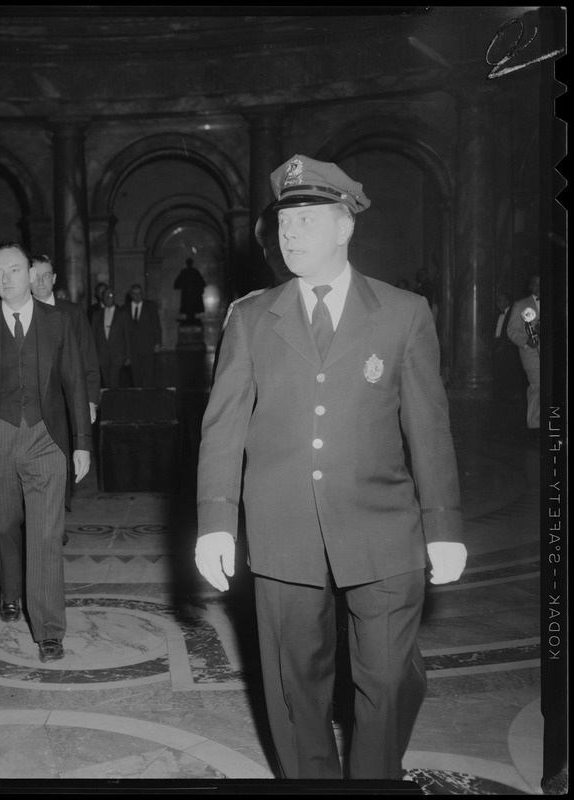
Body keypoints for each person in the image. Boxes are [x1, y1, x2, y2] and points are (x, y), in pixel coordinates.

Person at [194, 155, 467, 781]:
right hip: (283, 530)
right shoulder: (252, 318)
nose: (290, 233)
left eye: (308, 219)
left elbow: (429, 429)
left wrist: (444, 523)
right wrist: (215, 521)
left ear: (345, 227)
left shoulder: (404, 314)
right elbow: (223, 425)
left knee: (391, 677)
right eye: (284, 220)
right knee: (296, 691)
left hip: (383, 527)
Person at [0, 242, 91, 663]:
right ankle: (10, 590)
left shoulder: (58, 321)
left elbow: (75, 384)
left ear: (30, 275)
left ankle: (49, 631)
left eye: (13, 270)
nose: (5, 279)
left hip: (46, 438)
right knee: (1, 525)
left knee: (46, 535)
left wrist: (83, 444)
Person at [30, 254, 100, 423]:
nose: (40, 282)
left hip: (67, 401)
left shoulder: (72, 312)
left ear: (53, 278)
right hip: (32, 405)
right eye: (35, 276)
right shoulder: (18, 314)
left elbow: (88, 357)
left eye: (46, 275)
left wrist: (90, 400)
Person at [506, 273, 541, 430]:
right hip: (531, 353)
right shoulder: (521, 305)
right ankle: (534, 424)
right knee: (537, 384)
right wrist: (526, 341)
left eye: (541, 283)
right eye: (535, 284)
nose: (538, 287)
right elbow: (511, 330)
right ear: (529, 286)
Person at [90, 287, 132, 389]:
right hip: (102, 355)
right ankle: (109, 402)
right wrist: (92, 355)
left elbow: (128, 335)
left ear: (114, 297)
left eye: (111, 296)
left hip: (118, 354)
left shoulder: (123, 314)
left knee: (114, 381)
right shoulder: (97, 315)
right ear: (102, 298)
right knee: (106, 381)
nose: (108, 298)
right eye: (106, 296)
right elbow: (93, 336)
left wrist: (129, 355)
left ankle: (114, 402)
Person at [125, 284, 162, 387]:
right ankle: (138, 393)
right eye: (134, 293)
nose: (137, 296)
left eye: (139, 293)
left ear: (142, 294)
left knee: (148, 371)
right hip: (132, 347)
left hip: (147, 345)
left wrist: (158, 342)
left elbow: (156, 324)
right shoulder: (125, 308)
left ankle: (147, 393)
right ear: (131, 295)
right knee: (135, 372)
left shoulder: (150, 306)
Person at [173, 258, 207, 322]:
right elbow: (177, 285)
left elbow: (201, 283)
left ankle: (191, 318)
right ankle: (190, 318)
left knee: (191, 307)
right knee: (189, 307)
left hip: (192, 295)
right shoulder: (190, 272)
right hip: (189, 295)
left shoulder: (190, 272)